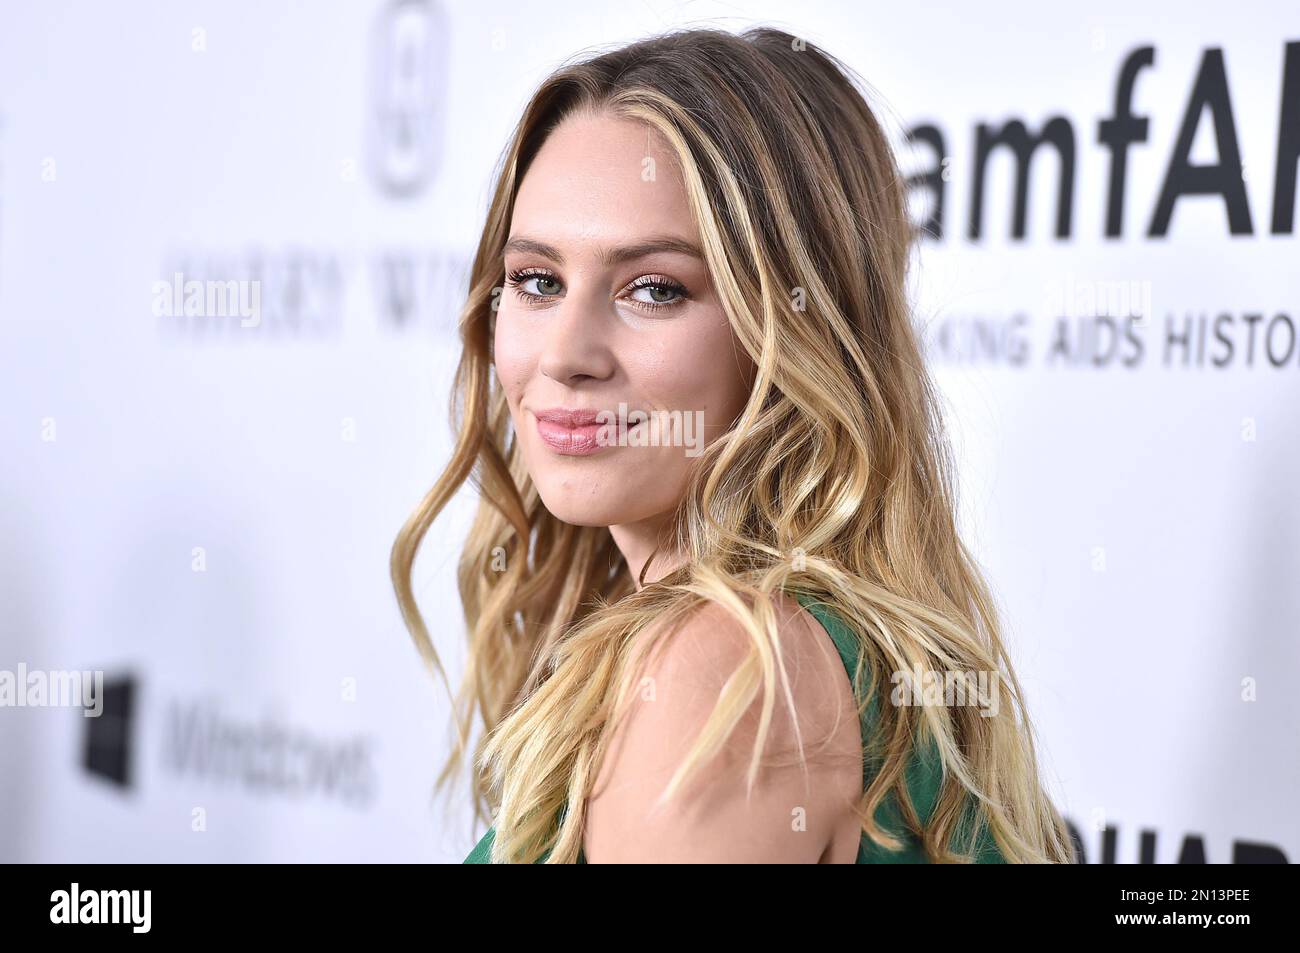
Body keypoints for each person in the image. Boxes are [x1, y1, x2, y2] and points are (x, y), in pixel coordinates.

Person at [391, 25, 1076, 864]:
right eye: (537, 280)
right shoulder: (794, 649)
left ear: (793, 330)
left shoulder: (731, 676)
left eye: (654, 289)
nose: (565, 354)